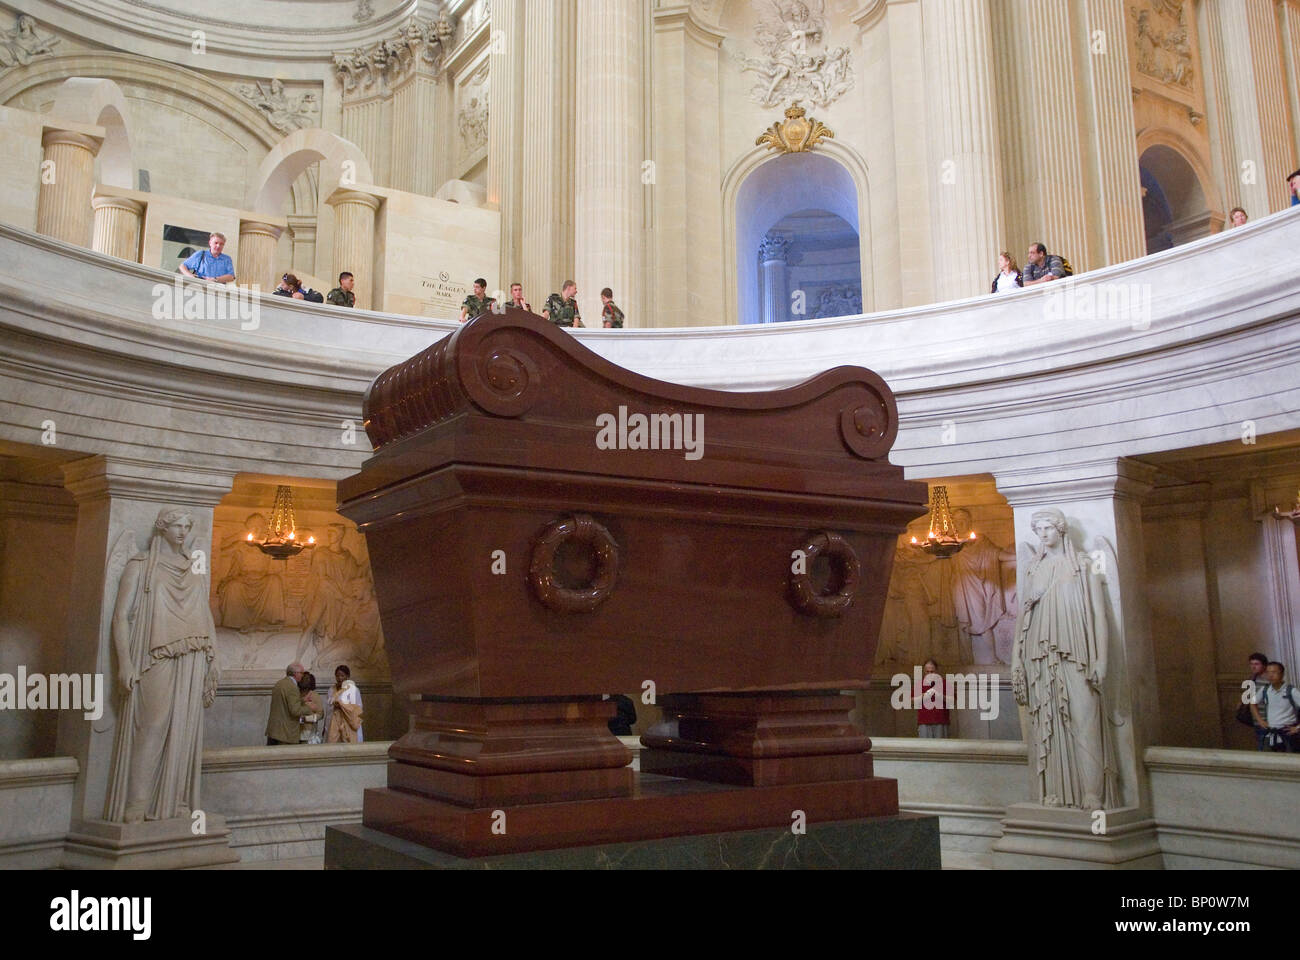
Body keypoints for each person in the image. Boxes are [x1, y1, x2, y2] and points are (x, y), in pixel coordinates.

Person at [103, 507, 219, 823]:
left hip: (193, 654)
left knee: (184, 728)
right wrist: (124, 662)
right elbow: (120, 618)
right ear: (162, 528)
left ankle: (176, 800)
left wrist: (213, 657)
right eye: (176, 525)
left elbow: (205, 614)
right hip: (156, 655)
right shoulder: (141, 565)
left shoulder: (194, 568)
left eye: (186, 526)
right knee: (152, 725)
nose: (182, 531)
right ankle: (137, 802)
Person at [1011, 508, 1116, 809]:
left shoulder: (1083, 565)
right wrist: (1016, 658)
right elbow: (1023, 615)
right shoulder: (1033, 568)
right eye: (1038, 529)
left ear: (1061, 530)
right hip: (1038, 654)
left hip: (1076, 653)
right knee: (1048, 722)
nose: (1043, 534)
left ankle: (1091, 793)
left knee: (1085, 720)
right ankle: (1054, 791)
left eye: (1048, 528)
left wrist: (1101, 659)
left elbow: (1099, 615)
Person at [1251, 661, 1300, 752]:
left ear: (1282, 674)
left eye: (1274, 672)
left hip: (1288, 733)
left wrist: (1297, 728)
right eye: (1268, 672)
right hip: (1271, 732)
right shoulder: (1265, 690)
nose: (1270, 675)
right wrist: (1260, 721)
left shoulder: (1291, 691)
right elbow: (1252, 703)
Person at [266, 662, 313, 745]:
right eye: (301, 673)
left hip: (274, 729)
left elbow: (284, 702)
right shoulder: (292, 687)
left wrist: (302, 700)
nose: (302, 676)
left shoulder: (280, 683)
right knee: (284, 757)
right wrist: (309, 708)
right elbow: (295, 711)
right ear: (295, 673)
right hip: (285, 732)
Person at [326, 664, 364, 743]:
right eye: (337, 676)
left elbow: (358, 707)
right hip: (335, 721)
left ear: (347, 676)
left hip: (349, 721)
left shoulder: (354, 690)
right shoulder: (331, 689)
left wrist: (342, 705)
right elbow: (329, 706)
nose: (340, 678)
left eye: (342, 676)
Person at [915, 658, 950, 738]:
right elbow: (912, 700)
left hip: (941, 721)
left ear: (936, 671)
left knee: (942, 748)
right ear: (924, 671)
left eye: (932, 671)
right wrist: (925, 695)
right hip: (924, 721)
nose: (930, 674)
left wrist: (940, 696)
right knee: (925, 747)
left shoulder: (944, 683)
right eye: (927, 672)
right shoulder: (919, 684)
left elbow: (953, 701)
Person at [1242, 652, 1270, 749]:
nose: (1253, 667)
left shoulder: (1270, 680)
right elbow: (1246, 699)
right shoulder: (1252, 679)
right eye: (1251, 664)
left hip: (1268, 719)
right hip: (1258, 719)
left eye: (1256, 664)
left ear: (1264, 665)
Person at [298, 672, 324, 744]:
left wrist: (306, 719)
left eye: (307, 679)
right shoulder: (296, 694)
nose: (304, 681)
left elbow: (320, 714)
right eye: (303, 679)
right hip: (295, 731)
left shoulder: (315, 696)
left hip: (309, 732)